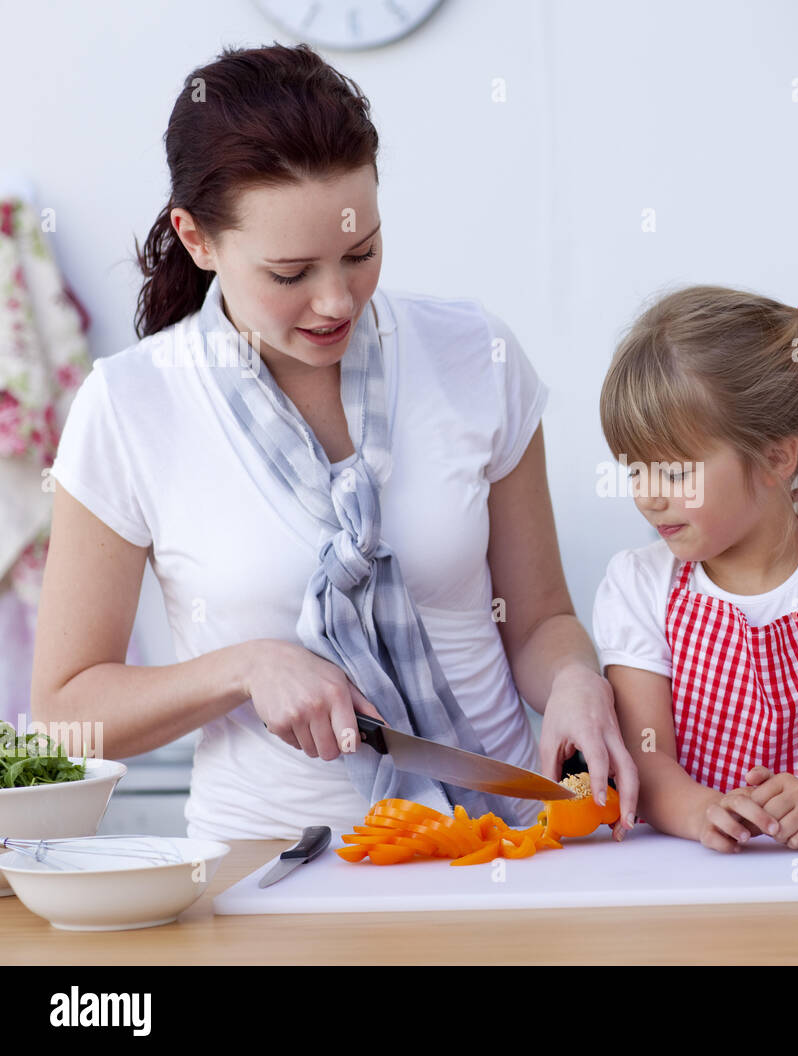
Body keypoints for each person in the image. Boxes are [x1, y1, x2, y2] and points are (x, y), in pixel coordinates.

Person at [31, 43, 637, 840]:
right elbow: (66, 714)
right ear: (197, 238)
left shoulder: (473, 356)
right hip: (275, 870)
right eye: (289, 273)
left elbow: (537, 621)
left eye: (361, 254)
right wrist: (243, 668)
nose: (335, 301)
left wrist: (573, 681)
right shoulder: (130, 404)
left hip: (507, 840)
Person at [591, 286, 798, 854]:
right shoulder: (637, 585)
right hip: (686, 875)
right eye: (633, 469)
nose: (647, 496)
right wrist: (701, 812)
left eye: (672, 473)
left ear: (775, 457)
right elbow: (647, 757)